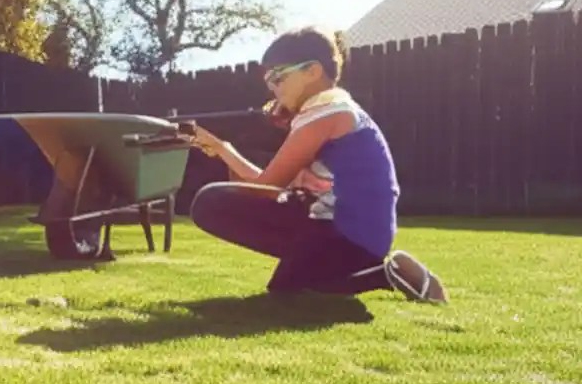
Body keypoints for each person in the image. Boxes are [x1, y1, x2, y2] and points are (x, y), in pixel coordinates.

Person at [186, 26, 448, 303]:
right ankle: (384, 274)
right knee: (295, 290)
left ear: (312, 71)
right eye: (269, 81)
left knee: (211, 202)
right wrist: (221, 149)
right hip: (350, 234)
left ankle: (381, 273)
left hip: (348, 234)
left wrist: (223, 150)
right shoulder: (332, 110)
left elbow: (265, 187)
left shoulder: (326, 115)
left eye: (279, 77)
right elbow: (267, 185)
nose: (273, 88)